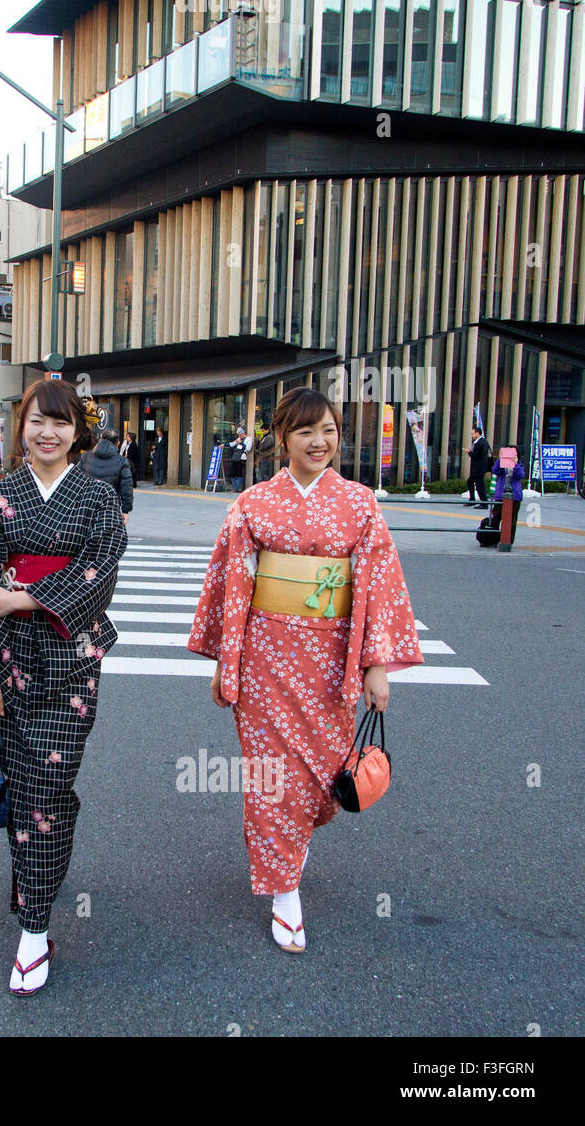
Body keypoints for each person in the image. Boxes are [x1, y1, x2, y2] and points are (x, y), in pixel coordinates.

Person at [188, 387, 423, 955]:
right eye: (305, 432)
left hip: (333, 660)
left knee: (320, 780)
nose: (320, 443)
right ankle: (285, 892)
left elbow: (380, 584)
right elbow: (234, 583)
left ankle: (292, 846)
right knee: (273, 776)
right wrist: (227, 660)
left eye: (329, 431)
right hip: (267, 658)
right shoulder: (252, 505)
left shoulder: (361, 504)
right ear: (281, 438)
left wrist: (376, 665)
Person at [0, 378, 126, 997]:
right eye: (38, 421)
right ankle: (41, 866)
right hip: (9, 663)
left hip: (70, 662)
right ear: (22, 427)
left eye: (61, 423)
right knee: (27, 787)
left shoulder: (97, 499)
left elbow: (100, 568)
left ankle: (34, 930)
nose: (48, 433)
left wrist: (23, 596)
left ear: (78, 432)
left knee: (48, 780)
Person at [80, 428, 133, 524]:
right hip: (110, 508)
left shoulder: (85, 457)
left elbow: (76, 480)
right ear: (118, 443)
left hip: (85, 507)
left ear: (100, 440)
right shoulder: (121, 461)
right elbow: (126, 487)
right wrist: (125, 510)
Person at [480, 450, 525, 546]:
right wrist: (500, 459)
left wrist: (516, 464)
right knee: (495, 518)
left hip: (514, 496)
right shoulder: (502, 465)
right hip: (501, 495)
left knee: (512, 521)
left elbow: (520, 475)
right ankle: (492, 539)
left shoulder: (519, 464)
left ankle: (508, 541)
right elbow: (494, 470)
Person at [465, 426, 492, 506]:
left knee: (480, 485)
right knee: (470, 482)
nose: (472, 435)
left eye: (473, 434)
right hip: (479, 467)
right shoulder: (483, 442)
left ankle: (484, 503)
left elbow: (476, 455)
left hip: (478, 468)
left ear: (477, 433)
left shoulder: (480, 443)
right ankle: (472, 500)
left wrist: (469, 452)